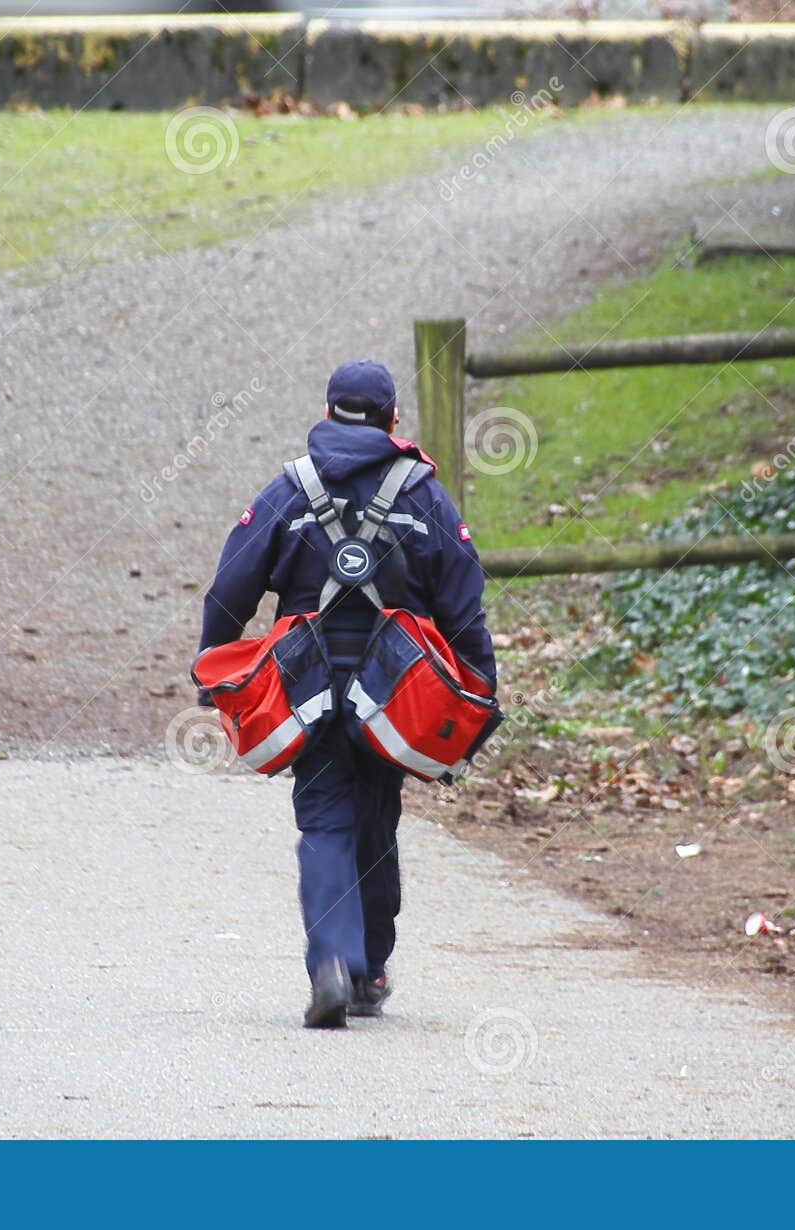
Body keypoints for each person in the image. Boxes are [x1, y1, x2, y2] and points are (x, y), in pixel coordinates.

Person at [198, 359, 496, 1029]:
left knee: (325, 824)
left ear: (328, 414)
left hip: (306, 690)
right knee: (377, 822)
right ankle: (369, 971)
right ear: (393, 421)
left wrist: (208, 667)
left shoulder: (289, 490)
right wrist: (479, 695)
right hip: (397, 697)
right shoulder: (423, 496)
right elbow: (464, 605)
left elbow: (228, 590)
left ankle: (331, 962)